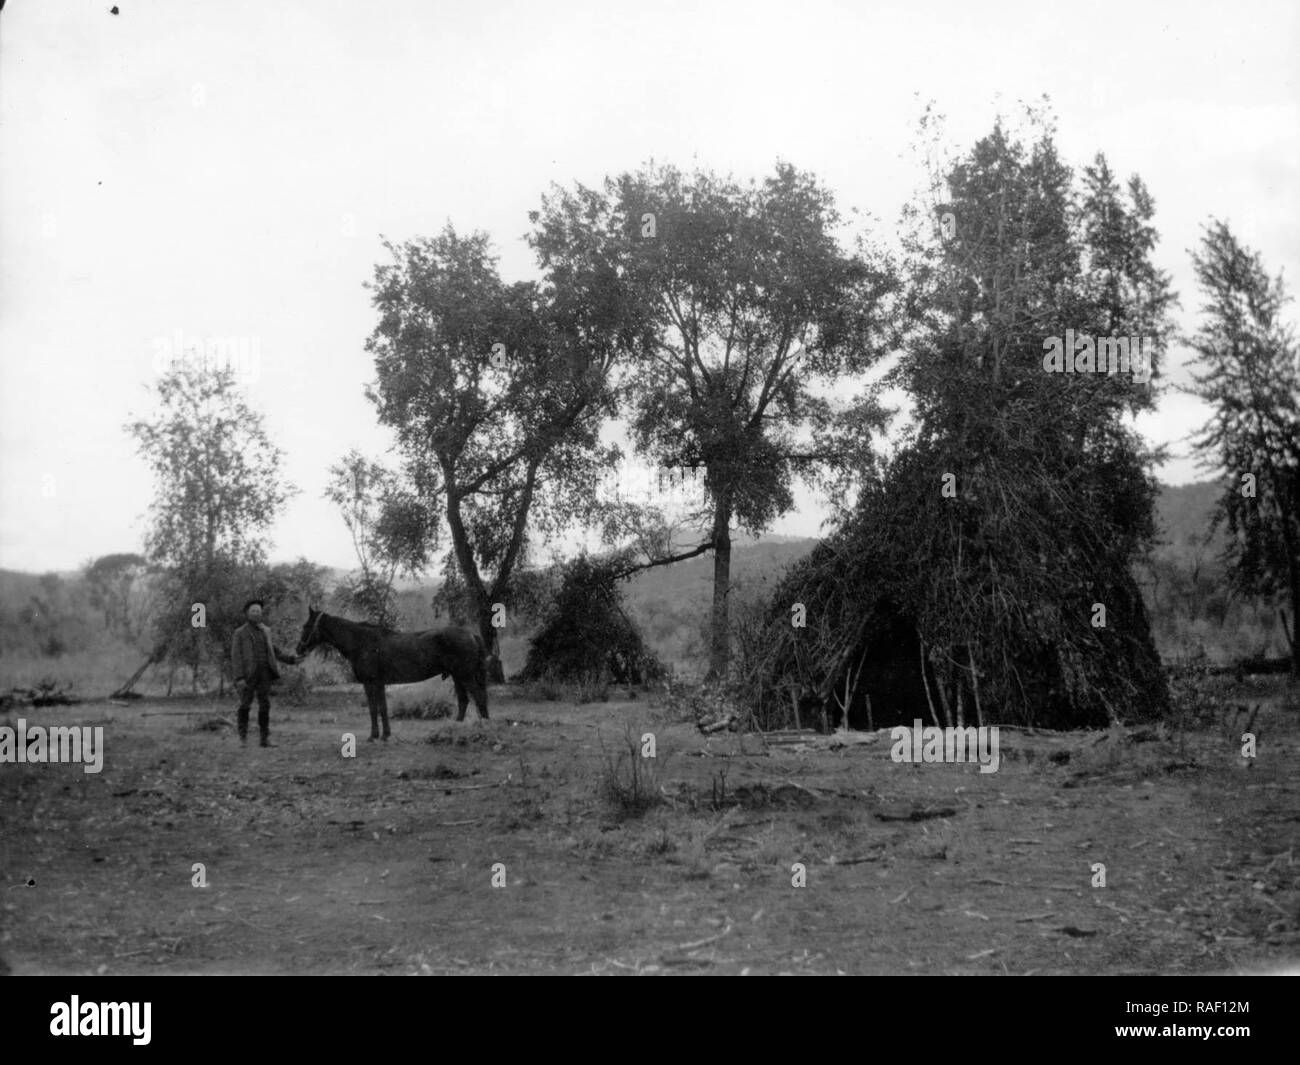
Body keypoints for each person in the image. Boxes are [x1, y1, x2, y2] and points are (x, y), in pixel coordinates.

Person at [230, 599, 300, 747]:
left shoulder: (266, 631)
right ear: (247, 613)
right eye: (253, 611)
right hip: (248, 675)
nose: (256, 613)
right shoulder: (240, 633)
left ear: (261, 613)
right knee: (244, 706)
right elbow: (236, 657)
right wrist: (239, 677)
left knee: (265, 706)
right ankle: (242, 739)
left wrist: (291, 660)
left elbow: (274, 651)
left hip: (265, 674)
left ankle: (264, 739)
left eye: (258, 611)